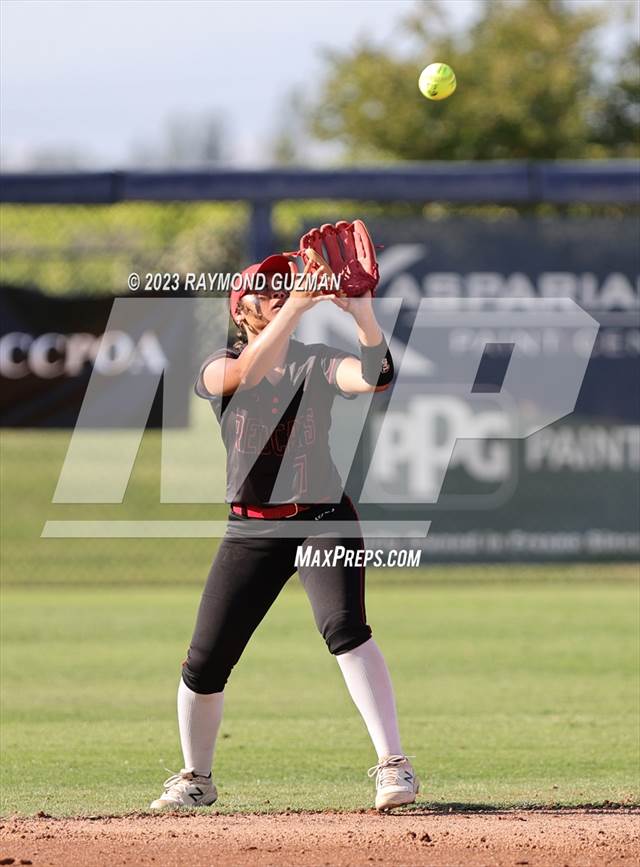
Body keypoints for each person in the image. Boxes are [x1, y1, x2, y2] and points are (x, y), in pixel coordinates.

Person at [150, 251, 419, 811]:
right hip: (251, 529)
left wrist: (363, 314)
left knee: (344, 627)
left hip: (321, 519)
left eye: (285, 285)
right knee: (205, 660)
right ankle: (196, 777)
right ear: (241, 313)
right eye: (266, 289)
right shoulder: (215, 363)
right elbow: (245, 375)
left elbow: (375, 376)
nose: (280, 291)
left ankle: (394, 767)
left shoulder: (316, 360)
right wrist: (299, 304)